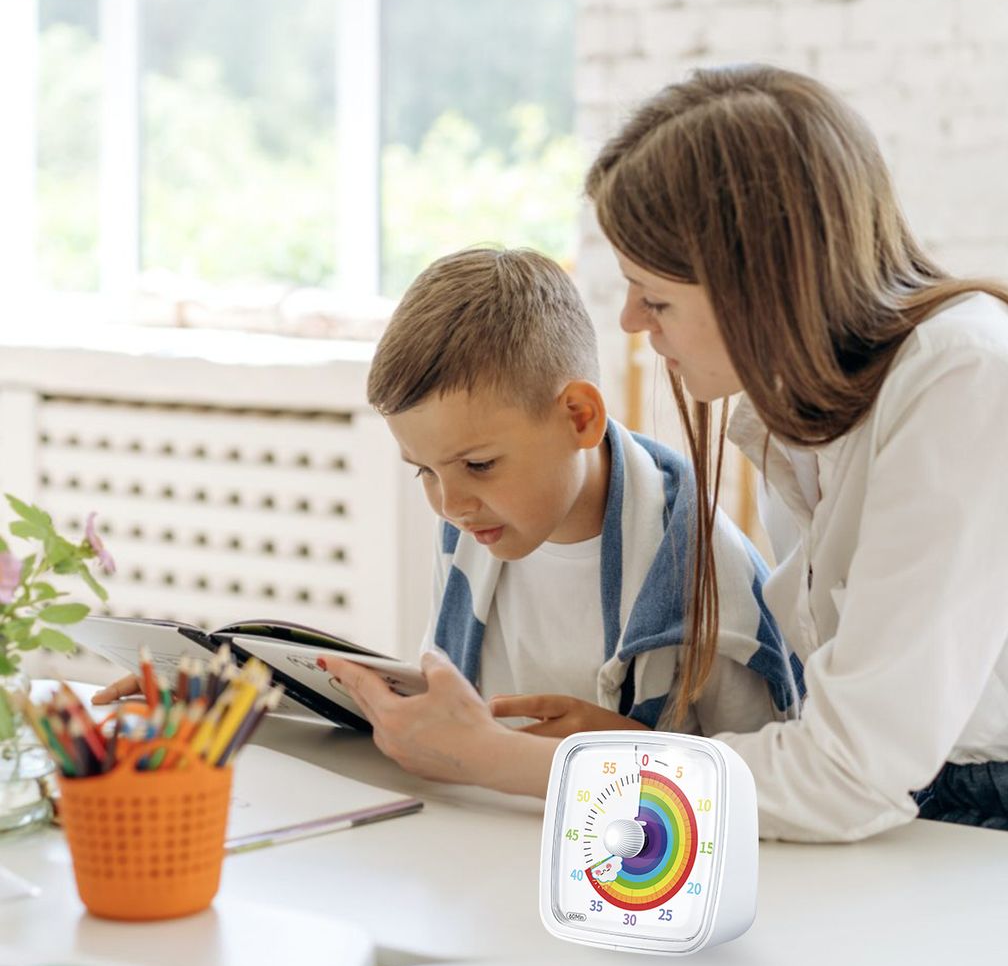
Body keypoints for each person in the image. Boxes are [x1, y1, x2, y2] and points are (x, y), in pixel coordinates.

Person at [328, 65, 1008, 841]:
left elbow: (845, 774)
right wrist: (630, 751)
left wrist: (495, 758)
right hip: (925, 811)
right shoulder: (814, 421)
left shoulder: (967, 378)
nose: (629, 321)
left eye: (654, 296)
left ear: (760, 280)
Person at [95, 246, 802, 744]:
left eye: (480, 464)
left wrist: (640, 759)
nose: (450, 504)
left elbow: (774, 779)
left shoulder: (707, 574)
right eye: (423, 472)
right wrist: (239, 698)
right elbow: (453, 718)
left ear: (579, 417)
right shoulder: (479, 526)